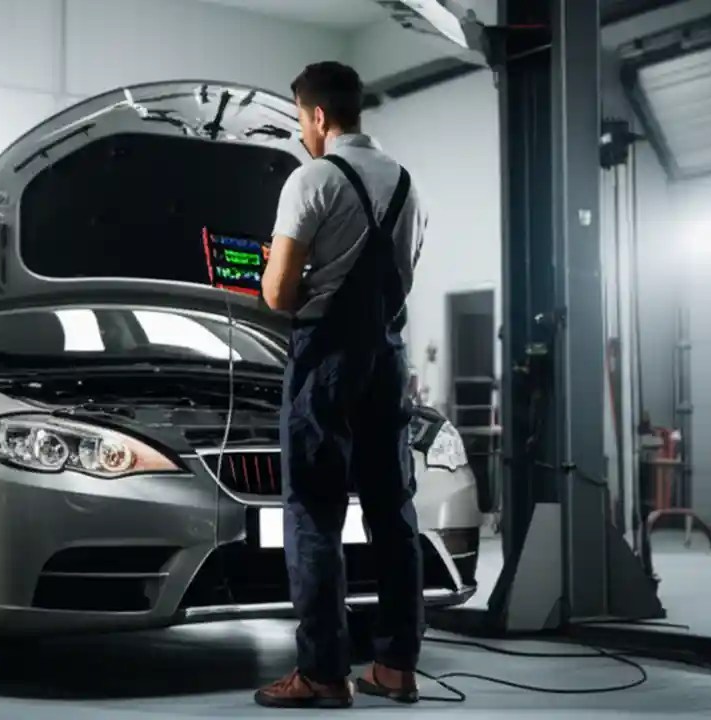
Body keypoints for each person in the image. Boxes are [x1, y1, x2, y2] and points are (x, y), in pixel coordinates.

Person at [255, 61, 426, 709]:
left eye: (302, 119)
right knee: (393, 511)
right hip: (389, 359)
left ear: (318, 116)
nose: (303, 131)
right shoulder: (412, 186)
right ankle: (396, 665)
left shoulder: (312, 180)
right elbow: (399, 279)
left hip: (326, 358)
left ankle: (324, 674)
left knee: (315, 512)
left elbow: (278, 292)